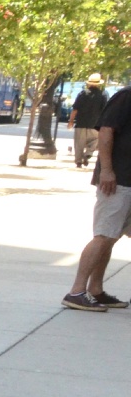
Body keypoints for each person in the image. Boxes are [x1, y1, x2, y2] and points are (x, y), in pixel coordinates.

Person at [62, 81, 131, 311]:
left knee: (111, 237)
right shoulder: (125, 96)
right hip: (118, 180)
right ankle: (76, 291)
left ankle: (95, 289)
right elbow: (106, 131)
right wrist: (107, 170)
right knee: (104, 235)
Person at [72, 73, 108, 169]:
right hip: (95, 124)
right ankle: (88, 153)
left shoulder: (82, 93)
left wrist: (71, 121)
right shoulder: (103, 95)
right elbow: (105, 110)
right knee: (95, 141)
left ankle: (78, 162)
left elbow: (75, 109)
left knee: (79, 144)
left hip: (81, 123)